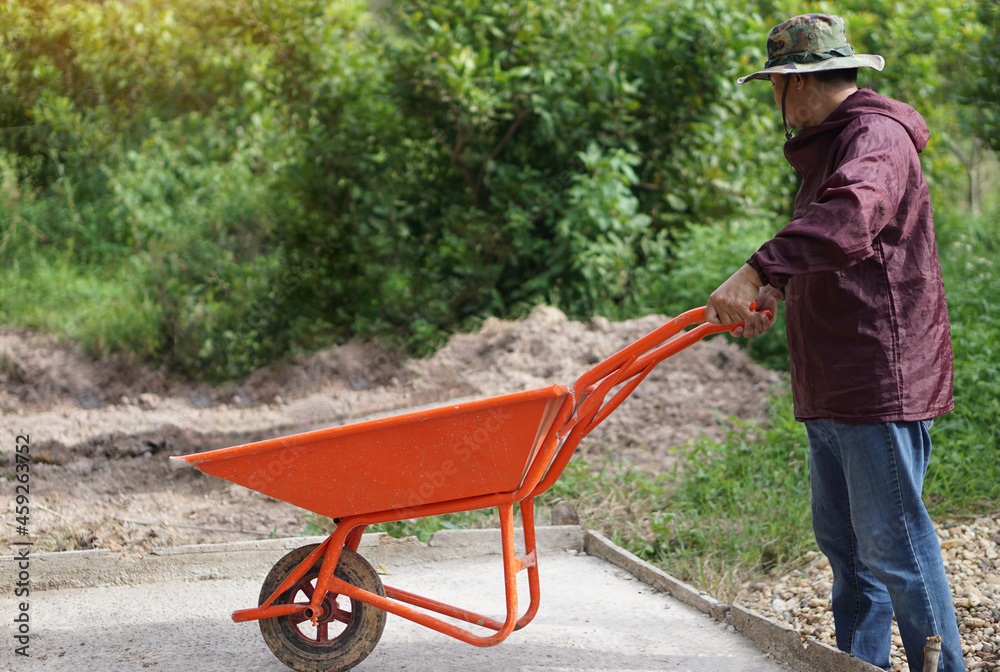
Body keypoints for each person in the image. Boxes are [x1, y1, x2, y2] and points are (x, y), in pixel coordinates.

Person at [705, 13, 965, 672]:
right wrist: (778, 290)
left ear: (794, 84)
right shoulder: (836, 142)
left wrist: (758, 266)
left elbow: (850, 219)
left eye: (774, 85)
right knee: (852, 556)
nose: (775, 100)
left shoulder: (874, 137)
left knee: (898, 553)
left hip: (874, 379)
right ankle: (859, 665)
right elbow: (841, 250)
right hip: (833, 379)